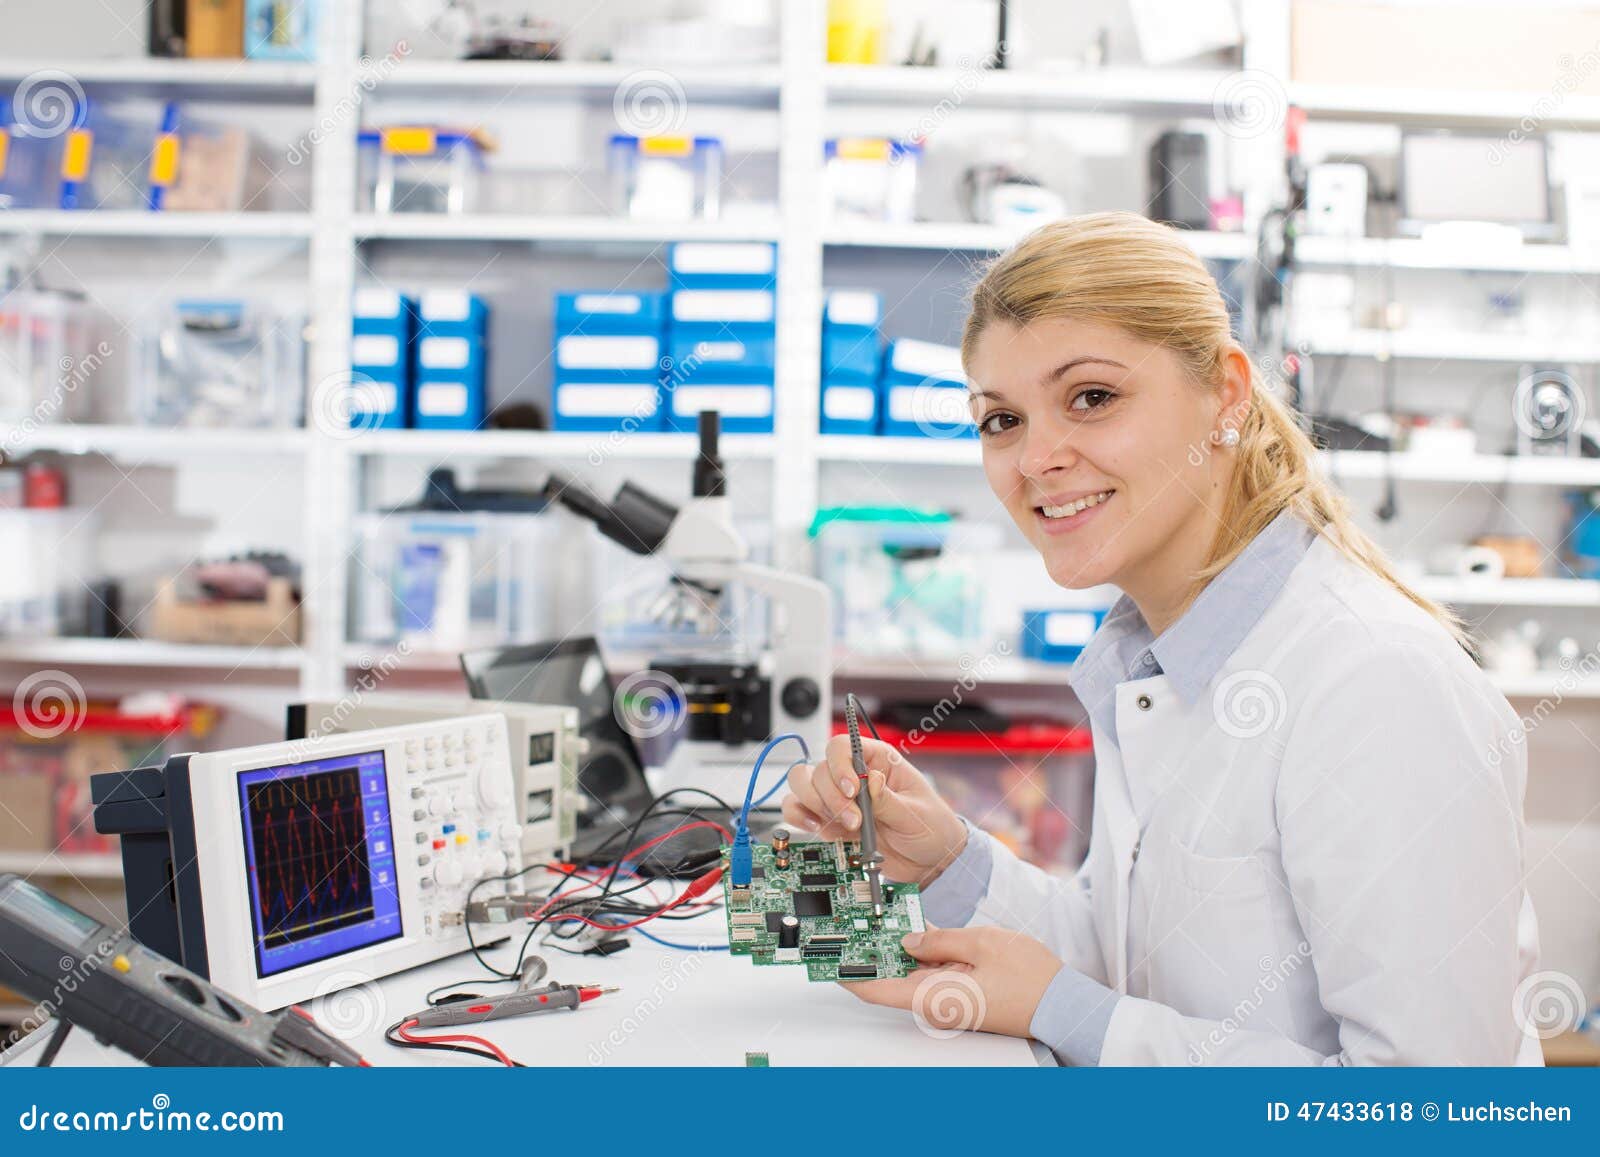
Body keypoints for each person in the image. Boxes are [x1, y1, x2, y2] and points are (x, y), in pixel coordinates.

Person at [783, 212, 1542, 1065]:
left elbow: (1437, 1109)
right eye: (1001, 420)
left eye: (1093, 398)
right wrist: (952, 860)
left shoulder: (1376, 683)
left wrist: (1070, 1015)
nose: (1036, 459)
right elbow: (1137, 960)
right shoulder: (1154, 653)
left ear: (1224, 393)